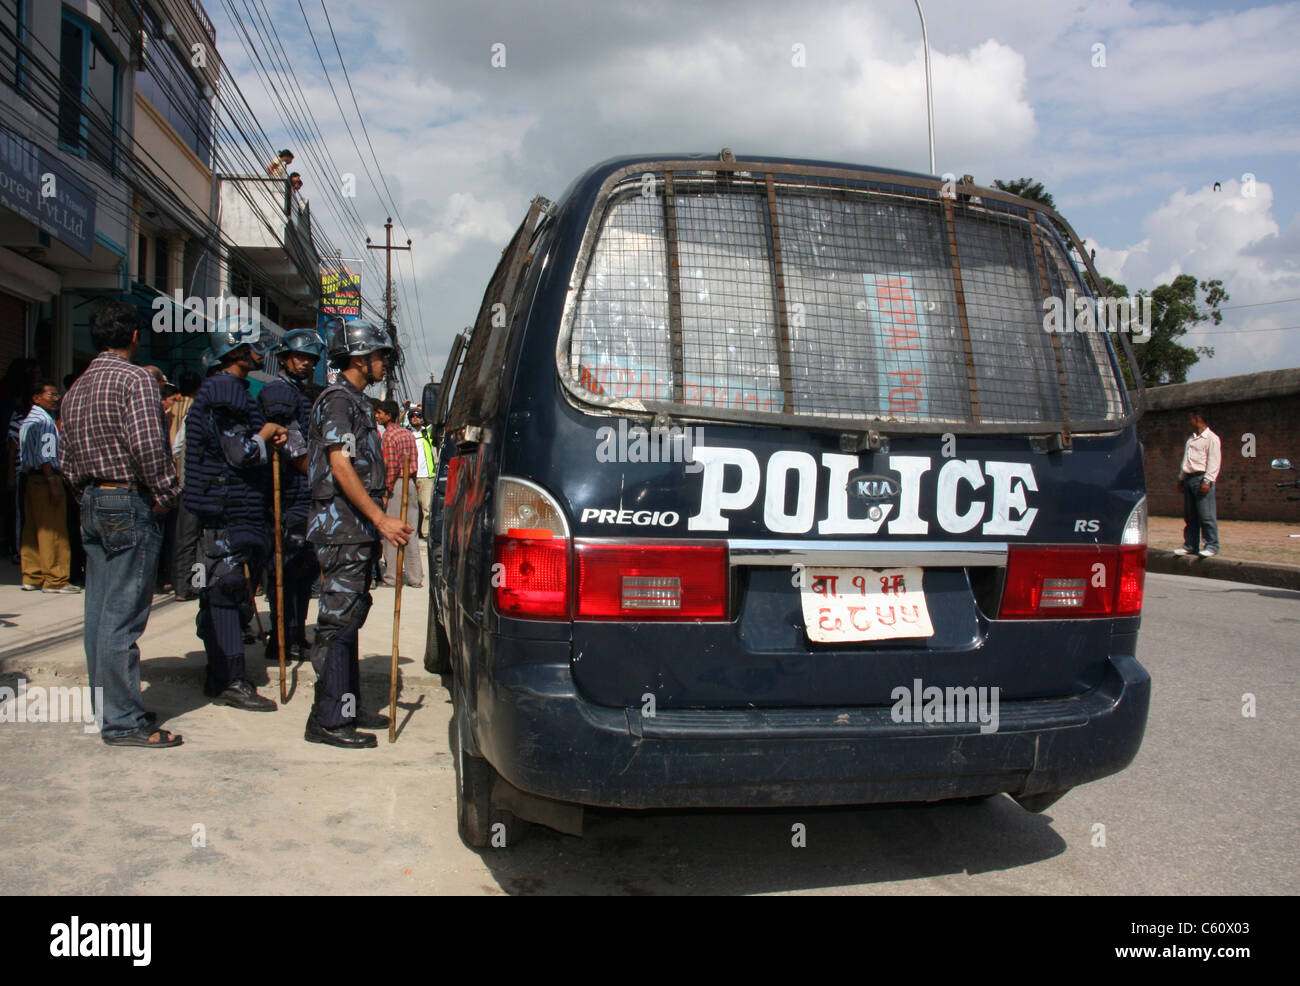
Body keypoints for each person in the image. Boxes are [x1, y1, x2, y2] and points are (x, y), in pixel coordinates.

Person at [58, 301, 183, 747]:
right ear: (133, 336)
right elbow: (150, 445)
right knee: (123, 617)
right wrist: (166, 495)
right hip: (128, 500)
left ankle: (110, 709)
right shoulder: (136, 380)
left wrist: (88, 496)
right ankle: (123, 722)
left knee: (99, 615)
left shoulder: (75, 389)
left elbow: (66, 459)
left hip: (92, 498)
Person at [305, 318, 411, 748]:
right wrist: (380, 518)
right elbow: (340, 464)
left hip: (356, 529)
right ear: (362, 358)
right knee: (337, 622)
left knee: (350, 615)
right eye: (381, 356)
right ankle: (329, 719)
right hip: (342, 529)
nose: (385, 364)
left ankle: (343, 706)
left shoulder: (358, 401)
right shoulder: (336, 400)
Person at [184, 321, 286, 711]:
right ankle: (231, 680)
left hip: (228, 504)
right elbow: (240, 453)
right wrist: (267, 432)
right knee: (226, 591)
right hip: (227, 507)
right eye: (254, 346)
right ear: (236, 351)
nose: (261, 352)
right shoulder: (225, 390)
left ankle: (218, 674)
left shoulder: (222, 388)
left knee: (221, 592)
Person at [258, 329, 324, 666]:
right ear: (284, 358)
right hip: (288, 492)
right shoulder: (278, 391)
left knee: (302, 570)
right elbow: (290, 443)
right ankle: (281, 639)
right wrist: (319, 477)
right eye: (300, 357)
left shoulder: (301, 392)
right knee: (286, 570)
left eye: (311, 359)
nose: (306, 364)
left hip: (303, 493)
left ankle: (295, 634)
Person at [18, 380, 77, 593]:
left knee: (32, 528)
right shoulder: (44, 421)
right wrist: (52, 481)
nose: (56, 399)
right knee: (53, 530)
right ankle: (56, 578)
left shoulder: (28, 420)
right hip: (46, 478)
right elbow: (46, 453)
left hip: (30, 479)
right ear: (37, 397)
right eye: (51, 395)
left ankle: (32, 575)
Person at [376, 400, 423, 587]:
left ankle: (392, 576)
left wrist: (386, 491)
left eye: (379, 413)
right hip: (410, 482)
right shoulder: (408, 434)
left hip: (396, 484)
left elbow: (391, 466)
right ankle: (415, 577)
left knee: (392, 530)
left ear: (388, 415)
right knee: (411, 530)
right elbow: (415, 461)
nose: (377, 416)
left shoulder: (389, 435)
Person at [169, 370, 203, 600]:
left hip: (188, 486)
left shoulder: (187, 415)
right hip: (206, 489)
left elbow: (176, 449)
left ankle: (182, 587)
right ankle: (196, 585)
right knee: (201, 540)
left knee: (185, 539)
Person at [1175, 407, 1222, 558]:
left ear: (1198, 419)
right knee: (1190, 516)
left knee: (1206, 515)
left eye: (1191, 419)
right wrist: (1181, 478)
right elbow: (1186, 460)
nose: (1190, 422)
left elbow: (1214, 462)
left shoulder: (1211, 439)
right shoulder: (1191, 439)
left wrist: (1208, 480)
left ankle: (1212, 545)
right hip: (1189, 478)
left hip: (1201, 478)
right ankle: (1190, 544)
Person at [409, 408, 437, 539]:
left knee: (427, 507)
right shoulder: (406, 434)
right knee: (411, 507)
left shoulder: (427, 433)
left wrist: (425, 409)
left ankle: (425, 534)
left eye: (418, 415)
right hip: (411, 475)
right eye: (412, 416)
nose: (415, 418)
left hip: (426, 475)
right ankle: (411, 533)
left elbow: (436, 422)